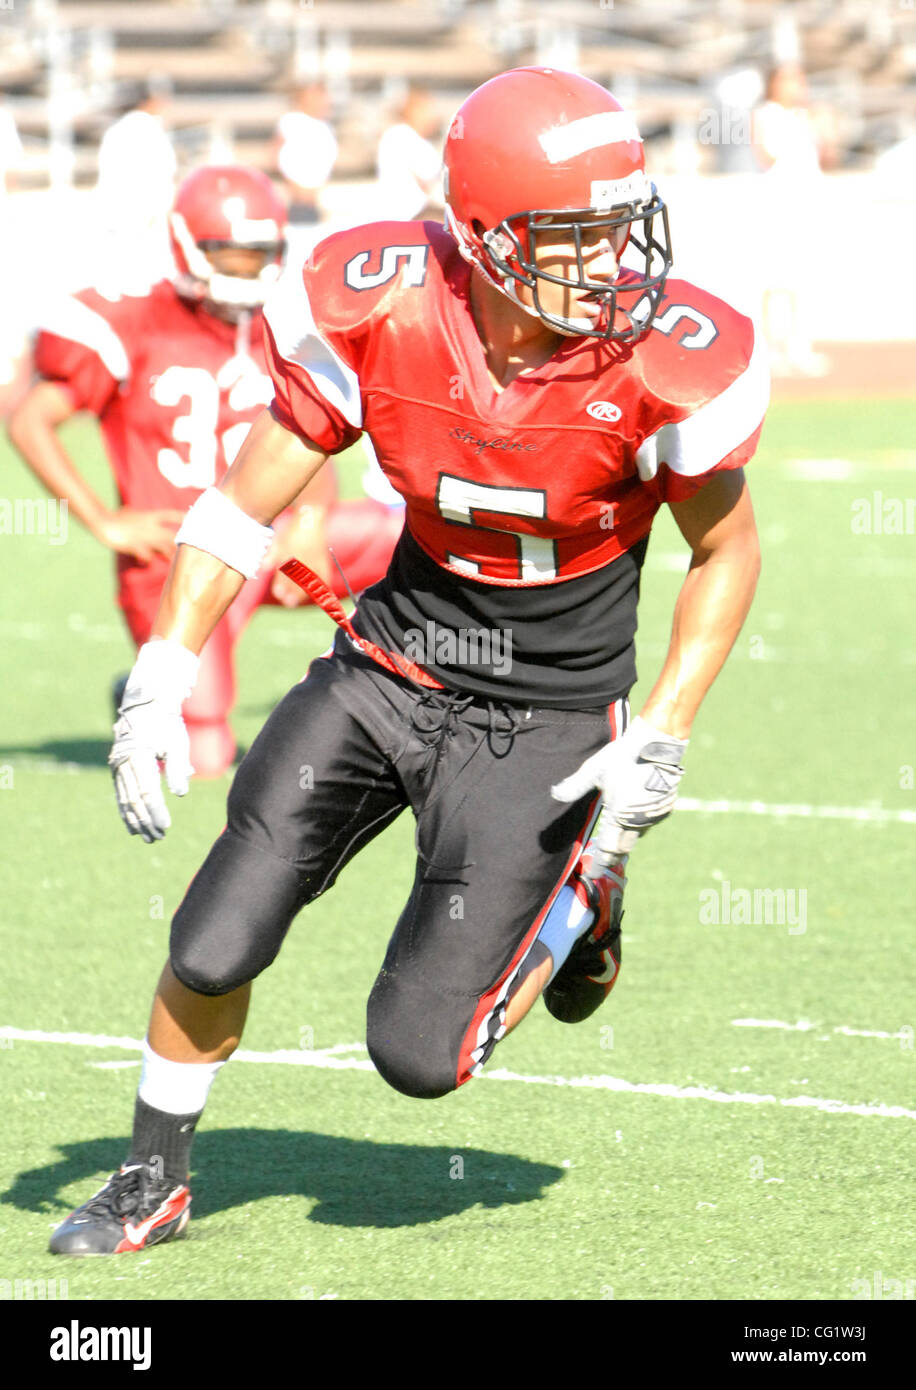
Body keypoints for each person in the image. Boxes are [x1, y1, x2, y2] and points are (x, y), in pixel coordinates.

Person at [46, 68, 766, 1257]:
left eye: (615, 229)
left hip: (545, 714)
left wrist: (665, 726)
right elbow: (240, 509)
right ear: (483, 242)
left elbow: (726, 553)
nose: (612, 265)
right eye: (573, 239)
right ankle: (151, 1178)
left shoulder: (657, 359)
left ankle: (585, 898)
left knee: (419, 1056)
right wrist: (163, 667)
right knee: (213, 934)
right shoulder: (378, 303)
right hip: (393, 663)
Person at [8, 164, 403, 778]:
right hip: (181, 558)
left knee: (419, 537)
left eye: (257, 255)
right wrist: (106, 522)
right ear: (186, 243)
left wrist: (309, 519)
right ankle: (143, 690)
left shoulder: (285, 322)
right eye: (230, 255)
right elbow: (31, 419)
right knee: (203, 756)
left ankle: (455, 685)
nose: (245, 272)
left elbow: (315, 435)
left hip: (273, 541)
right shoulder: (137, 322)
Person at [375, 86, 442, 220]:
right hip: (409, 214)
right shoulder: (401, 135)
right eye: (426, 110)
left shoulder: (403, 135)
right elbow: (427, 180)